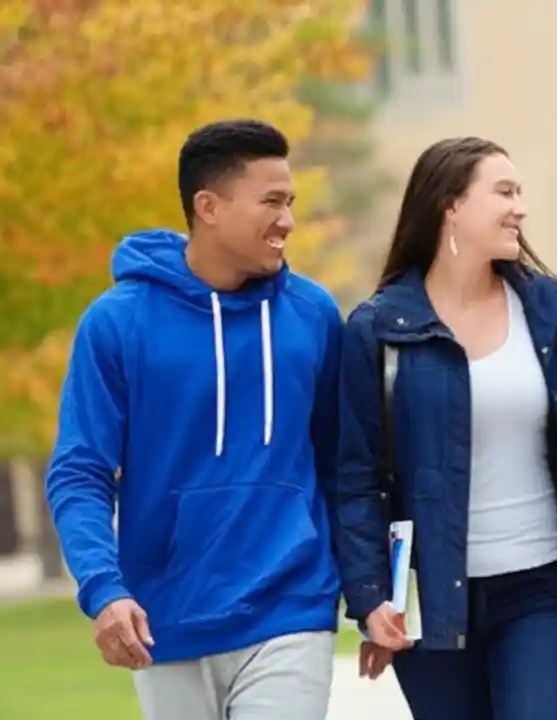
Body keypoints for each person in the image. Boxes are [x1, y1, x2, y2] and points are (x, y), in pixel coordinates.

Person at [44, 119, 343, 719]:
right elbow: (80, 472)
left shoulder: (313, 316)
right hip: (165, 620)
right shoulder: (117, 323)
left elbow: (342, 463)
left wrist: (366, 586)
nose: (287, 220)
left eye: (290, 202)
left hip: (290, 606)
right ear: (208, 206)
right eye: (271, 202)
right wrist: (104, 589)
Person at [333, 136, 557, 719]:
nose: (520, 207)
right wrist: (370, 597)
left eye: (521, 192)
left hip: (540, 590)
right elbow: (355, 477)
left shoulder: (547, 316)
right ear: (451, 204)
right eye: (504, 191)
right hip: (431, 601)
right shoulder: (379, 331)